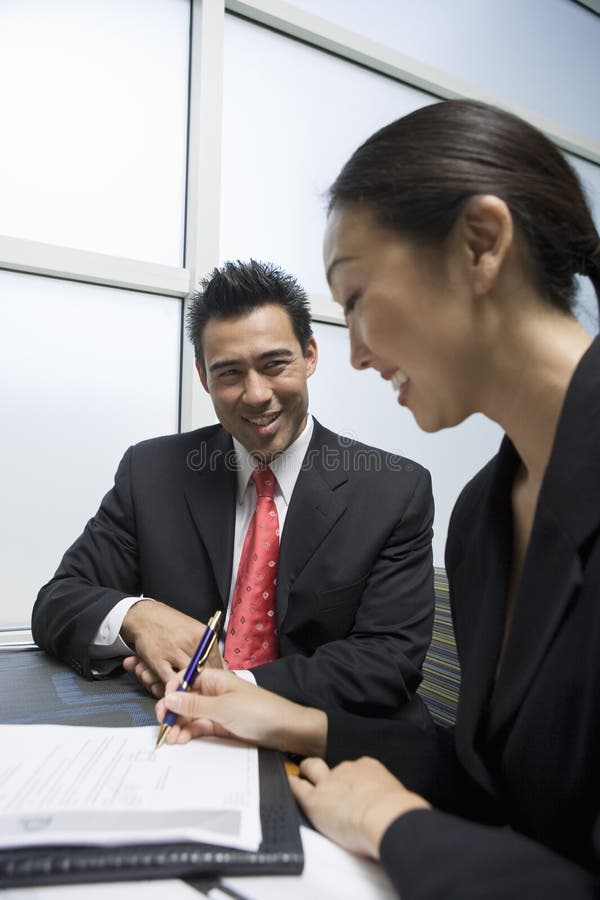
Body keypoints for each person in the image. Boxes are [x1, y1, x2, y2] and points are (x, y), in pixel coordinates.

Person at [155, 101, 600, 898]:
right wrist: (295, 720)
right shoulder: (482, 517)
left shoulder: (409, 495)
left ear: (480, 245)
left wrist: (398, 827)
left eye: (356, 299)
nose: (355, 355)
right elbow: (501, 791)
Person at [32, 259, 435, 722]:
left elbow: (386, 662)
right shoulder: (152, 472)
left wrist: (230, 687)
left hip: (331, 745)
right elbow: (58, 600)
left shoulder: (393, 489)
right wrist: (138, 616)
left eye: (275, 364)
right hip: (180, 741)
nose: (257, 394)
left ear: (310, 355)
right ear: (204, 377)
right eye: (229, 373)